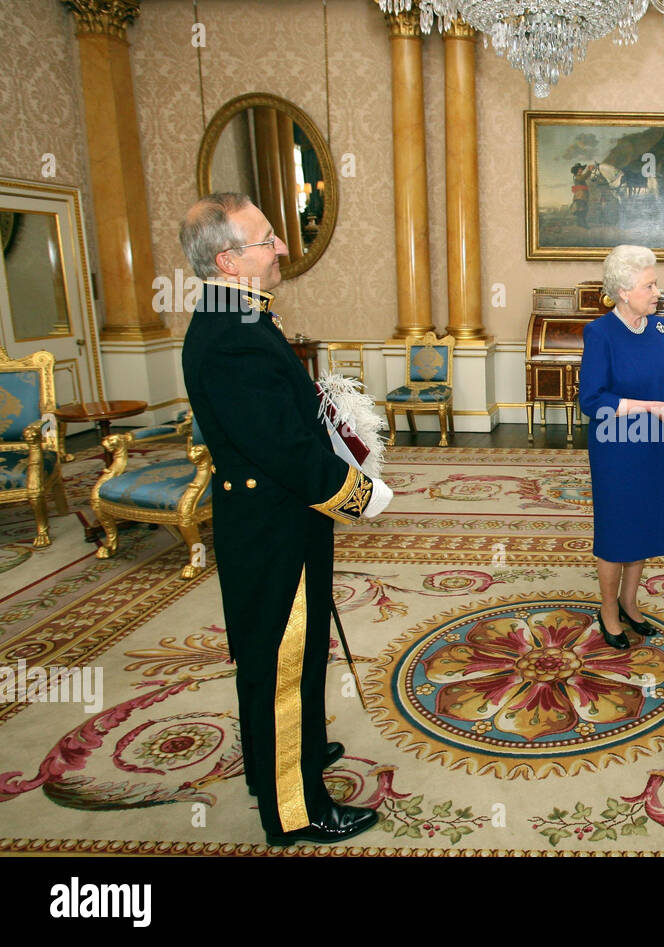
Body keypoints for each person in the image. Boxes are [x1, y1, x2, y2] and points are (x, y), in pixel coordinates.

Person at [179, 192, 393, 846]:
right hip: (275, 531)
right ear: (227, 258)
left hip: (274, 523)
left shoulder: (240, 318)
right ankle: (297, 809)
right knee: (281, 665)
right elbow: (285, 451)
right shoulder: (231, 338)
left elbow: (282, 418)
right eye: (266, 238)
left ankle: (281, 761)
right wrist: (362, 494)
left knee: (276, 658)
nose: (280, 249)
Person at [578, 245, 664, 649]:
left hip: (655, 444)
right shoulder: (600, 333)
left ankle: (629, 600)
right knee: (617, 529)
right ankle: (608, 609)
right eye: (649, 285)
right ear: (624, 291)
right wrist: (647, 406)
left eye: (656, 283)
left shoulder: (661, 329)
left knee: (643, 523)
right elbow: (591, 399)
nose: (658, 291)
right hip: (616, 447)